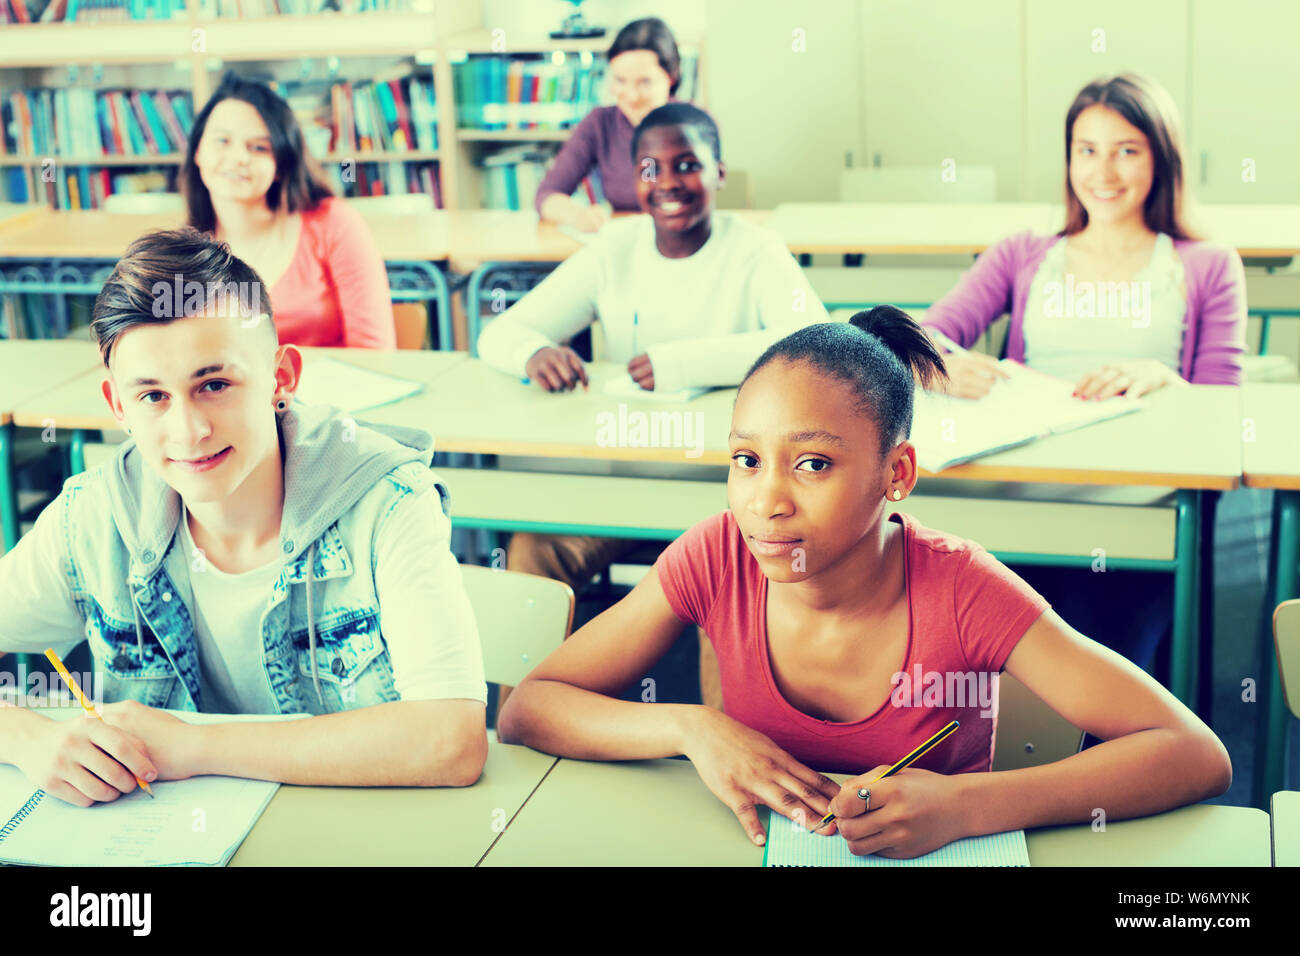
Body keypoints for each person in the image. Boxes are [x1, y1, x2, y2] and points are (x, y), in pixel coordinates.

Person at [498, 307, 1231, 856]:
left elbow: (1194, 753)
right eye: (746, 460)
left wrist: (966, 807)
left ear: (896, 474)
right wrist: (692, 727)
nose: (768, 500)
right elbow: (530, 709)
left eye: (812, 464)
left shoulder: (963, 589)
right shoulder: (716, 555)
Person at [0, 229, 485, 806]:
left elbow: (451, 740)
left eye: (215, 384)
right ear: (118, 407)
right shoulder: (94, 516)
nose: (189, 431)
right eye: (153, 396)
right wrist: (27, 737)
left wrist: (195, 747)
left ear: (281, 379)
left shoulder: (387, 502)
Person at [480, 102, 828, 718]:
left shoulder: (755, 250)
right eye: (650, 167)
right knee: (531, 548)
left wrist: (683, 362)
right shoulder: (614, 248)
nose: (668, 182)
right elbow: (501, 333)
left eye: (687, 164)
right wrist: (534, 350)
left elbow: (812, 340)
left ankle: (739, 761)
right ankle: (522, 728)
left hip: (726, 499)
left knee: (727, 579)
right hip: (621, 480)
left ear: (719, 172)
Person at [919, 72, 1247, 676]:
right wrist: (942, 363)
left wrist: (1165, 380)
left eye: (1127, 151)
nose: (1104, 172)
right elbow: (921, 338)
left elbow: (1223, 411)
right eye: (1086, 151)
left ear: (1162, 158)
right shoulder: (1024, 252)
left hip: (1140, 502)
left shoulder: (1207, 265)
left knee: (1094, 672)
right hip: (1024, 489)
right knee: (981, 662)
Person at [181, 71, 397, 349]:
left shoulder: (335, 223)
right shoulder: (184, 248)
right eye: (222, 141)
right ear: (197, 151)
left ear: (282, 165)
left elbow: (374, 351)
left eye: (258, 147)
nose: (237, 158)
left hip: (331, 390)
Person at [535, 17, 705, 231]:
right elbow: (547, 195)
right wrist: (578, 215)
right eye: (620, 80)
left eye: (645, 82)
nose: (631, 96)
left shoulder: (697, 125)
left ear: (671, 77)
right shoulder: (599, 123)